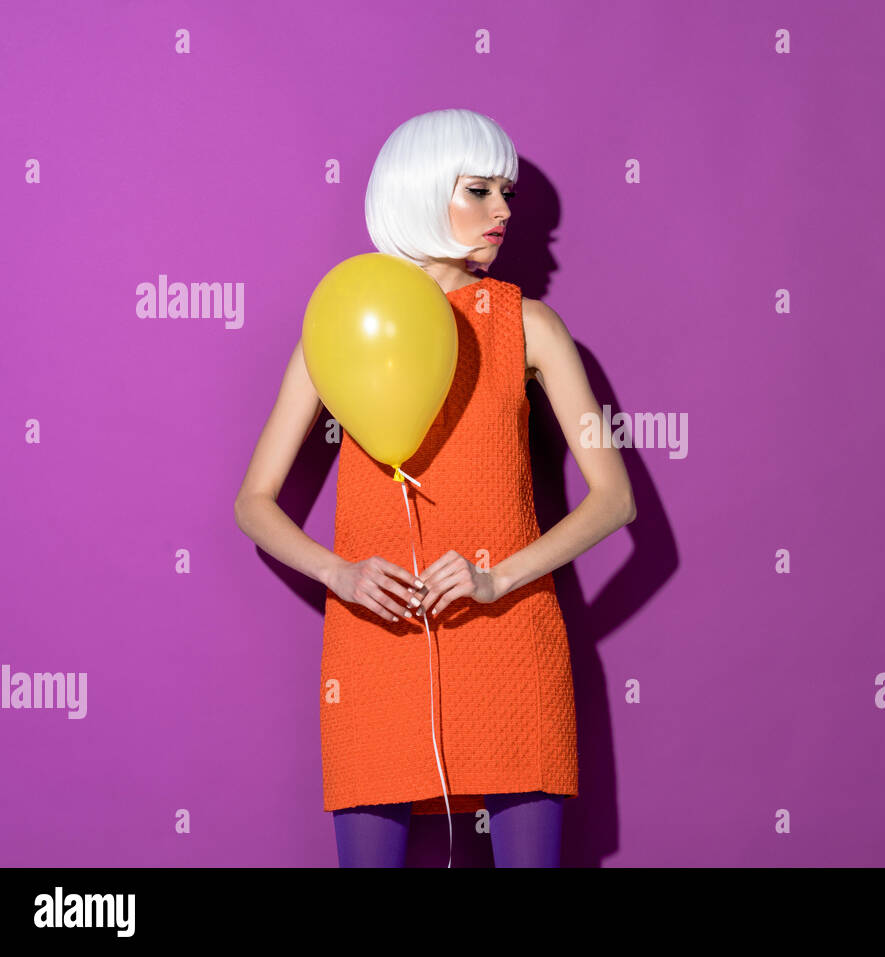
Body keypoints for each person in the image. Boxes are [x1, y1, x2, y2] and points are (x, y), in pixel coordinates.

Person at [233, 108, 635, 867]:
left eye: (507, 193)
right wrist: (338, 571)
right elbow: (254, 499)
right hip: (374, 631)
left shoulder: (532, 325)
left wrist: (497, 576)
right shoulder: (345, 319)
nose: (506, 212)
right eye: (479, 190)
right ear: (418, 192)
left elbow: (614, 498)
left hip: (512, 630)